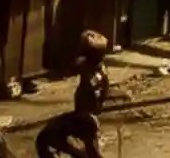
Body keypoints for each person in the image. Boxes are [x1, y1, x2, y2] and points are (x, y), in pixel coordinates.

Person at [35, 30, 127, 158]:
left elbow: (84, 77)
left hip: (84, 119)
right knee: (51, 136)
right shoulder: (99, 70)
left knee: (46, 137)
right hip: (83, 117)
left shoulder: (91, 73)